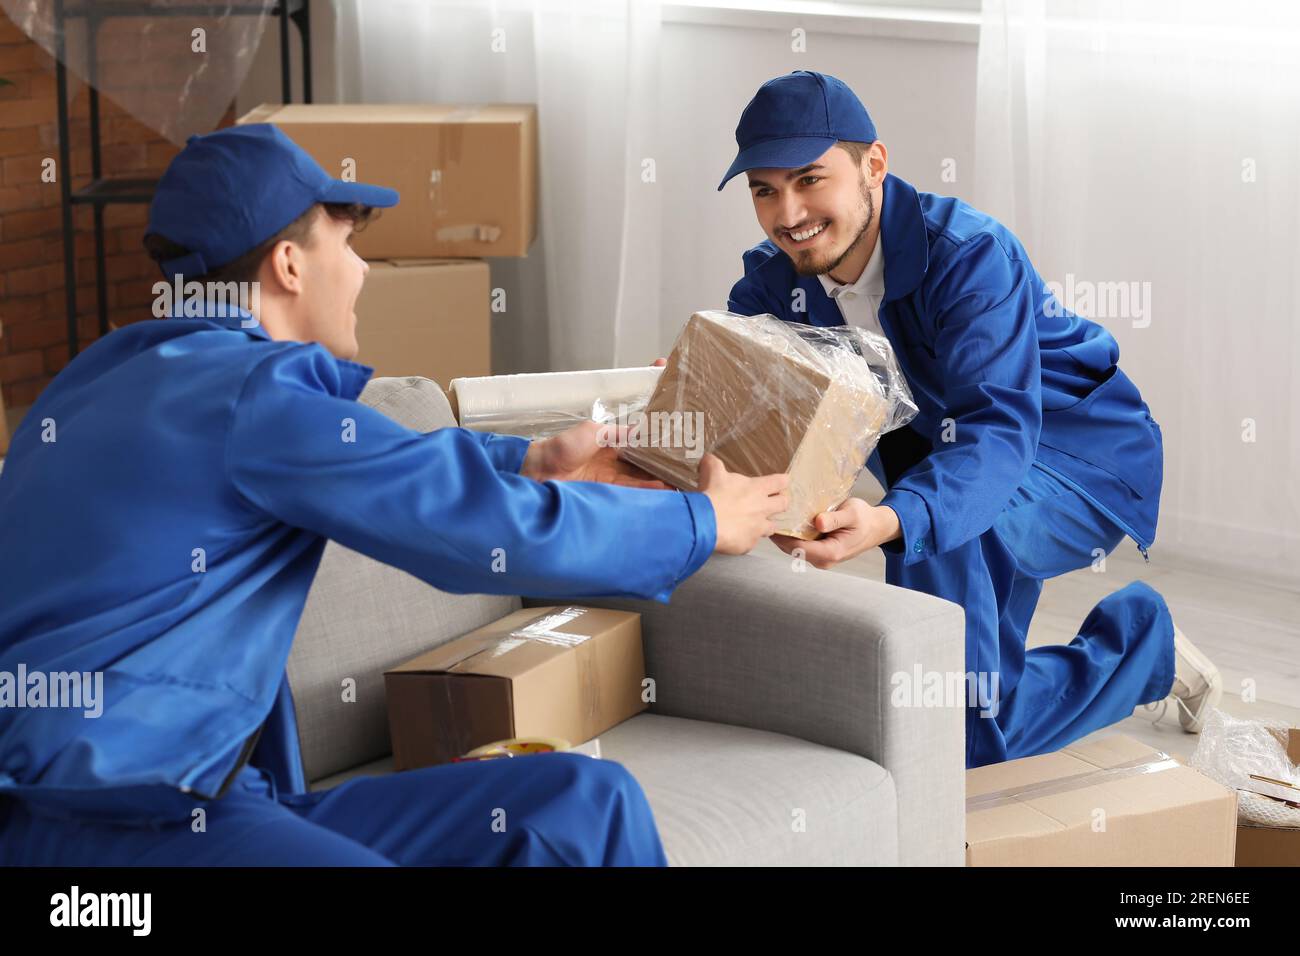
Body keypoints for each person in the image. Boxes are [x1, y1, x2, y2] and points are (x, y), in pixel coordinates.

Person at [0, 124, 790, 866]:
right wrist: (699, 519)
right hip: (107, 823)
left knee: (585, 802)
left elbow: (394, 465)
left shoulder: (105, 381)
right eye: (346, 241)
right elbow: (480, 533)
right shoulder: (250, 390)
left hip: (205, 803)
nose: (364, 270)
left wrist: (529, 463)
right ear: (288, 264)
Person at [717, 71, 1222, 769]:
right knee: (967, 714)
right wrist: (688, 395)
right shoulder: (773, 283)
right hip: (952, 472)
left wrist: (892, 520)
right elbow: (748, 389)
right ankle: (1137, 655)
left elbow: (996, 433)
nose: (788, 212)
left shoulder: (970, 256)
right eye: (764, 190)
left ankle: (997, 719)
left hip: (1077, 461)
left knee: (935, 562)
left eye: (810, 180)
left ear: (874, 165)